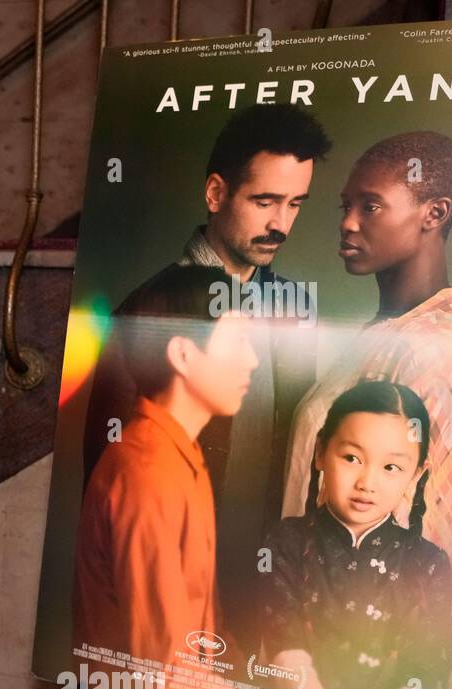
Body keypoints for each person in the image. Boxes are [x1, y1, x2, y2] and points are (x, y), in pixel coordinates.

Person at [84, 104, 332, 637]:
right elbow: (114, 485)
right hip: (166, 601)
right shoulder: (146, 312)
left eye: (295, 204)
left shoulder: (291, 308)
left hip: (262, 592)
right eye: (264, 201)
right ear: (216, 193)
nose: (280, 224)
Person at [73, 265, 325, 689]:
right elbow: (168, 682)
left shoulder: (182, 455)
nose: (253, 362)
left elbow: (197, 636)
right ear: (184, 354)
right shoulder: (147, 472)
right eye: (238, 344)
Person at [282, 132, 452, 635]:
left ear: (435, 213)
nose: (346, 222)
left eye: (371, 206)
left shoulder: (432, 352)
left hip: (358, 658)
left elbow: (413, 539)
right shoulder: (387, 333)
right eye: (346, 205)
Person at [256, 381, 452, 689]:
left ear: (416, 475)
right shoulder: (286, 541)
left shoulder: (429, 564)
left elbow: (427, 666)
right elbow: (284, 643)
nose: (368, 481)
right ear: (319, 453)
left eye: (391, 467)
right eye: (351, 457)